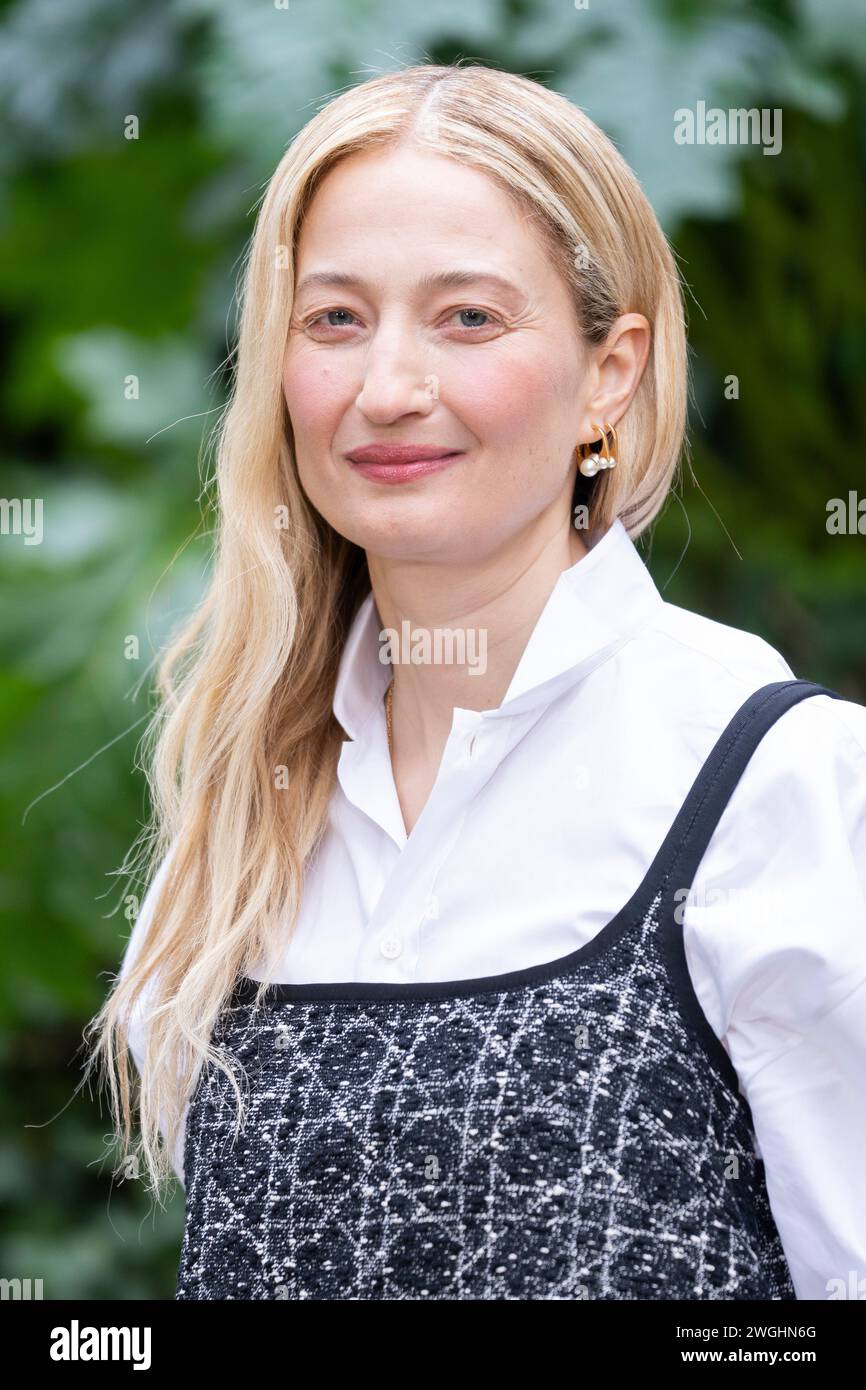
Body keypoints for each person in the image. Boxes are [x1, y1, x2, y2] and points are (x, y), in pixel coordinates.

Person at [86, 63, 866, 1301]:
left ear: (610, 371)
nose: (387, 389)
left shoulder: (774, 783)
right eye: (333, 319)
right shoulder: (243, 817)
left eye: (467, 319)